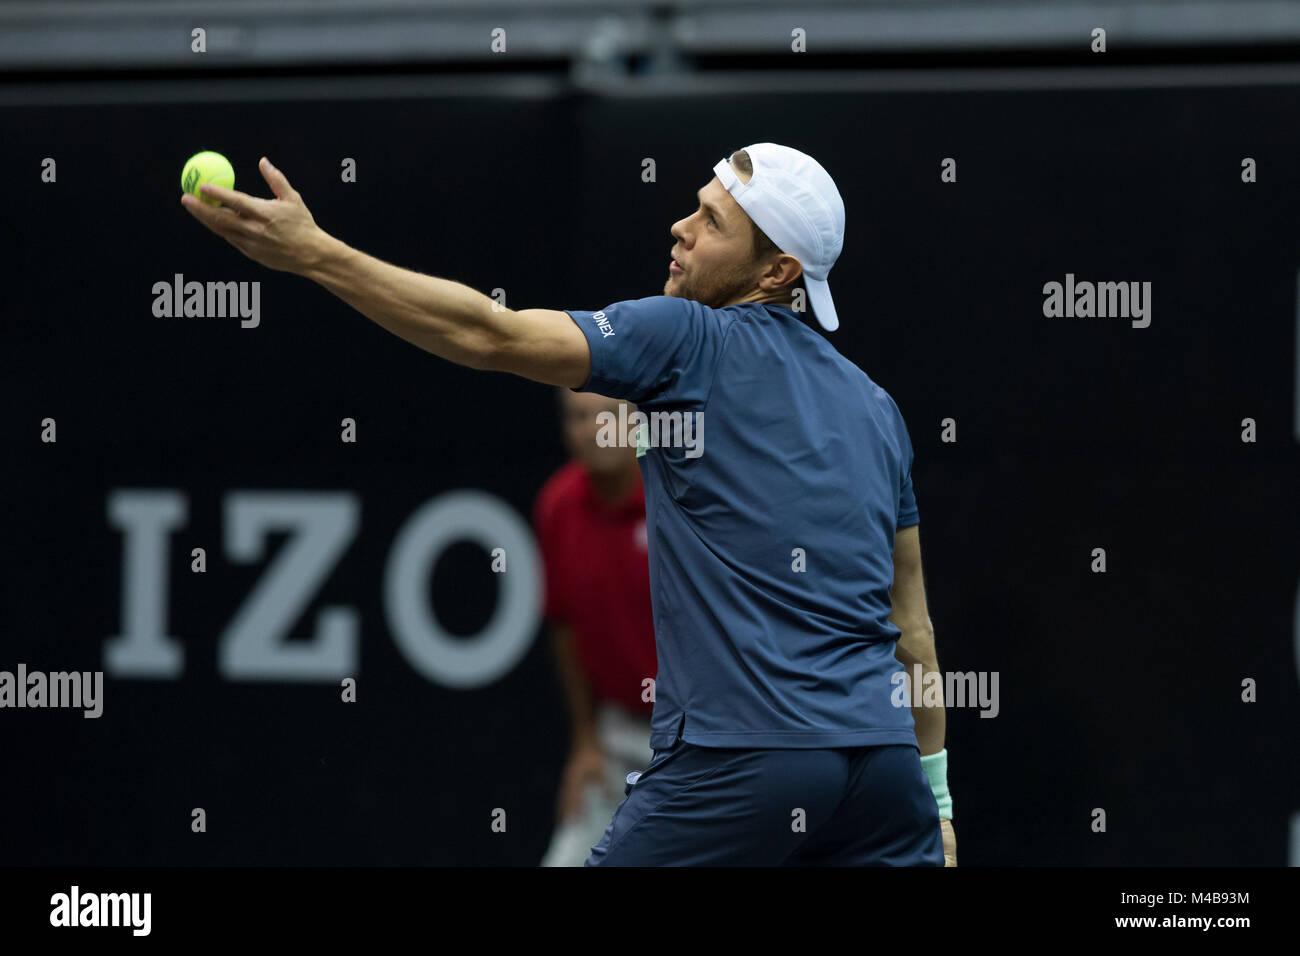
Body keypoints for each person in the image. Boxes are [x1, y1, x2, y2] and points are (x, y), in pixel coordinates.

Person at [181, 142, 957, 866]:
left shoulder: (689, 339)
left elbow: (489, 334)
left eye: (712, 221)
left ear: (776, 272)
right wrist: (939, 800)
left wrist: (316, 254)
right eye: (695, 205)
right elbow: (912, 627)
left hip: (743, 762)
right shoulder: (877, 407)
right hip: (884, 775)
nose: (680, 227)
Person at [534, 389, 657, 867]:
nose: (590, 430)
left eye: (605, 417)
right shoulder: (557, 504)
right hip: (615, 735)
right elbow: (563, 625)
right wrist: (584, 739)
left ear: (637, 425)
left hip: (703, 735)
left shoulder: (679, 497)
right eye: (578, 417)